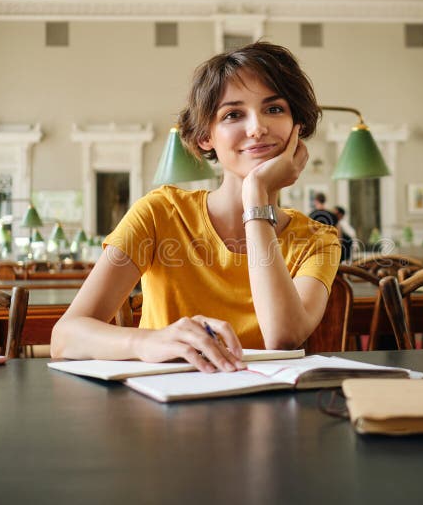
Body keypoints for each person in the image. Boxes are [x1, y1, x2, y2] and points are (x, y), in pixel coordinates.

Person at [51, 42, 341, 373]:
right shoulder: (160, 213)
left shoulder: (318, 239)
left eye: (274, 109)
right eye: (233, 114)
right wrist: (145, 342)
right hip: (163, 407)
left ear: (297, 127)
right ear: (206, 137)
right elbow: (65, 337)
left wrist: (256, 193)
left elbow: (283, 337)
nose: (257, 127)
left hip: (266, 408)